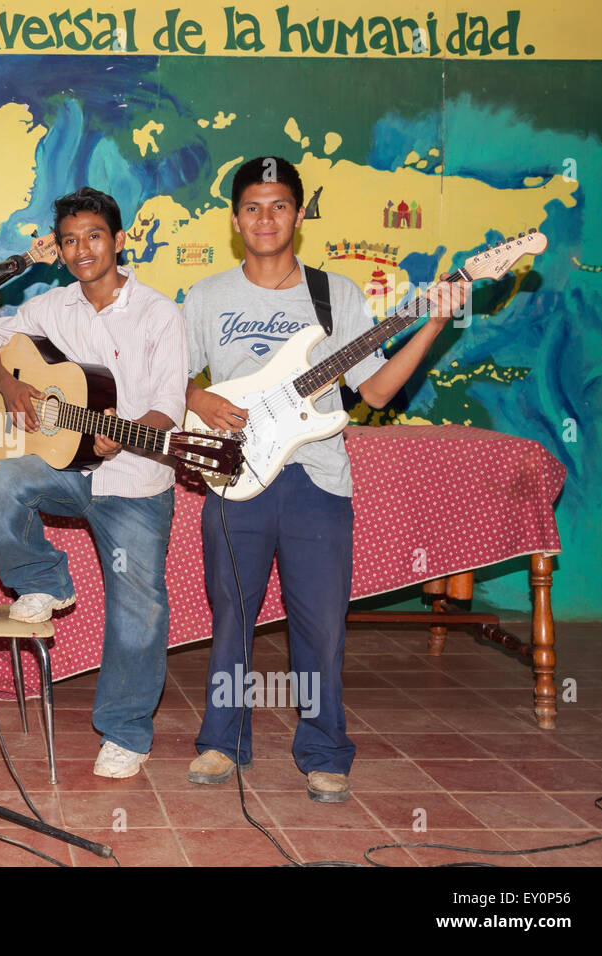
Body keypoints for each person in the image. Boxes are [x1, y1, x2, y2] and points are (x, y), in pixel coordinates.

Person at [182, 156, 468, 802]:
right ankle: (222, 742)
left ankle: (323, 748)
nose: (265, 217)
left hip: (318, 480)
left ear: (300, 214)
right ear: (234, 218)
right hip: (236, 476)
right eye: (252, 206)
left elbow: (373, 388)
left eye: (279, 204)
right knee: (233, 615)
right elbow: (164, 380)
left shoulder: (336, 295)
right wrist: (198, 402)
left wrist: (432, 325)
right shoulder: (206, 298)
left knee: (321, 624)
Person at [0, 186, 189, 779]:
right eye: (69, 240)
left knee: (137, 610)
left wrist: (125, 432)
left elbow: (167, 405)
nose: (81, 250)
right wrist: (14, 388)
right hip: (66, 468)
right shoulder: (49, 308)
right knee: (3, 480)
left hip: (134, 481)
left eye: (94, 236)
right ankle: (44, 580)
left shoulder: (158, 313)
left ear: (119, 241)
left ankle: (125, 731)